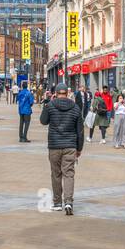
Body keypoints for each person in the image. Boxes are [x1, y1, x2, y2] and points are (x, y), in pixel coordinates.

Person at [40, 83, 84, 214]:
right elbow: (80, 131)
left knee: (56, 174)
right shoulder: (75, 108)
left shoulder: (51, 106)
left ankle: (57, 202)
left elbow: (43, 121)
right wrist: (79, 148)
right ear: (67, 93)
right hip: (70, 145)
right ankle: (69, 202)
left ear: (56, 93)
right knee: (69, 174)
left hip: (54, 145)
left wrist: (47, 103)